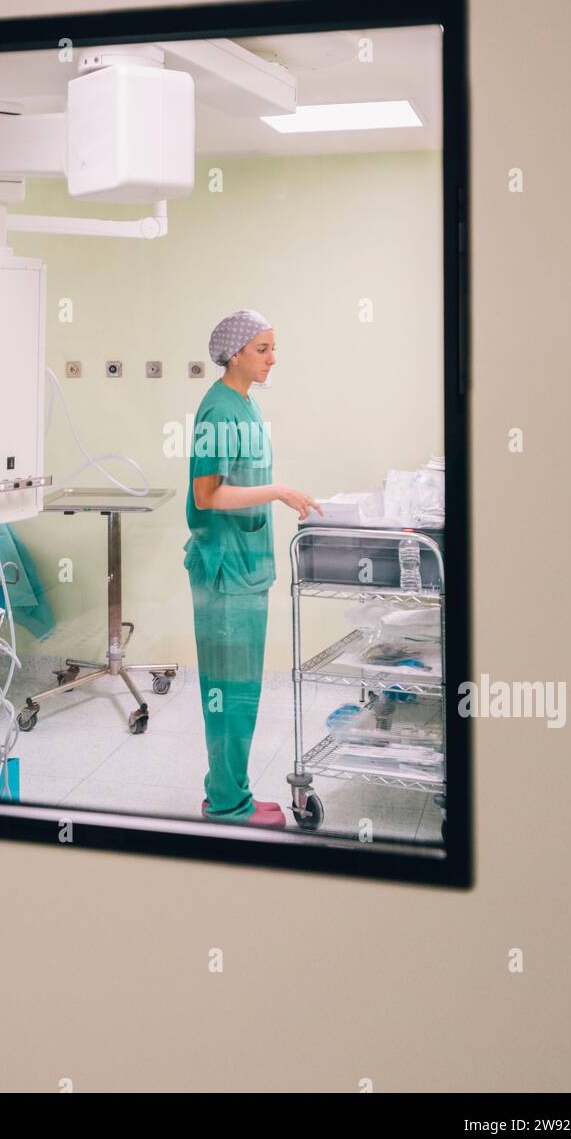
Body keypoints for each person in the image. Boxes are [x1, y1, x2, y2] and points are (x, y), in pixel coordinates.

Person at [183, 309, 323, 828]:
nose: (271, 358)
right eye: (262, 348)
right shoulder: (219, 410)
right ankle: (226, 805)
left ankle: (230, 790)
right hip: (224, 571)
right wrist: (281, 491)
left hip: (246, 566)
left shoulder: (243, 404)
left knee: (239, 690)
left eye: (272, 348)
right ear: (235, 353)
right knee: (227, 690)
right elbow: (208, 493)